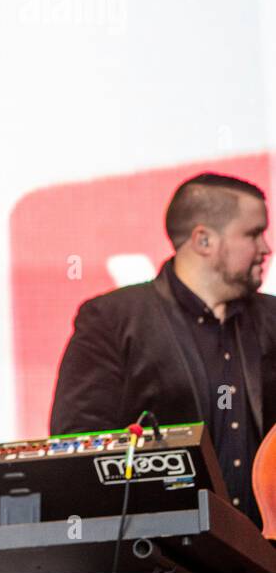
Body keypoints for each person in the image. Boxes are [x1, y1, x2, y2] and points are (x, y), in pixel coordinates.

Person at [51, 172, 276, 525]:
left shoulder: (271, 318)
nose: (265, 248)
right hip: (163, 543)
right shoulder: (112, 319)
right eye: (253, 233)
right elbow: (79, 444)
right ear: (203, 240)